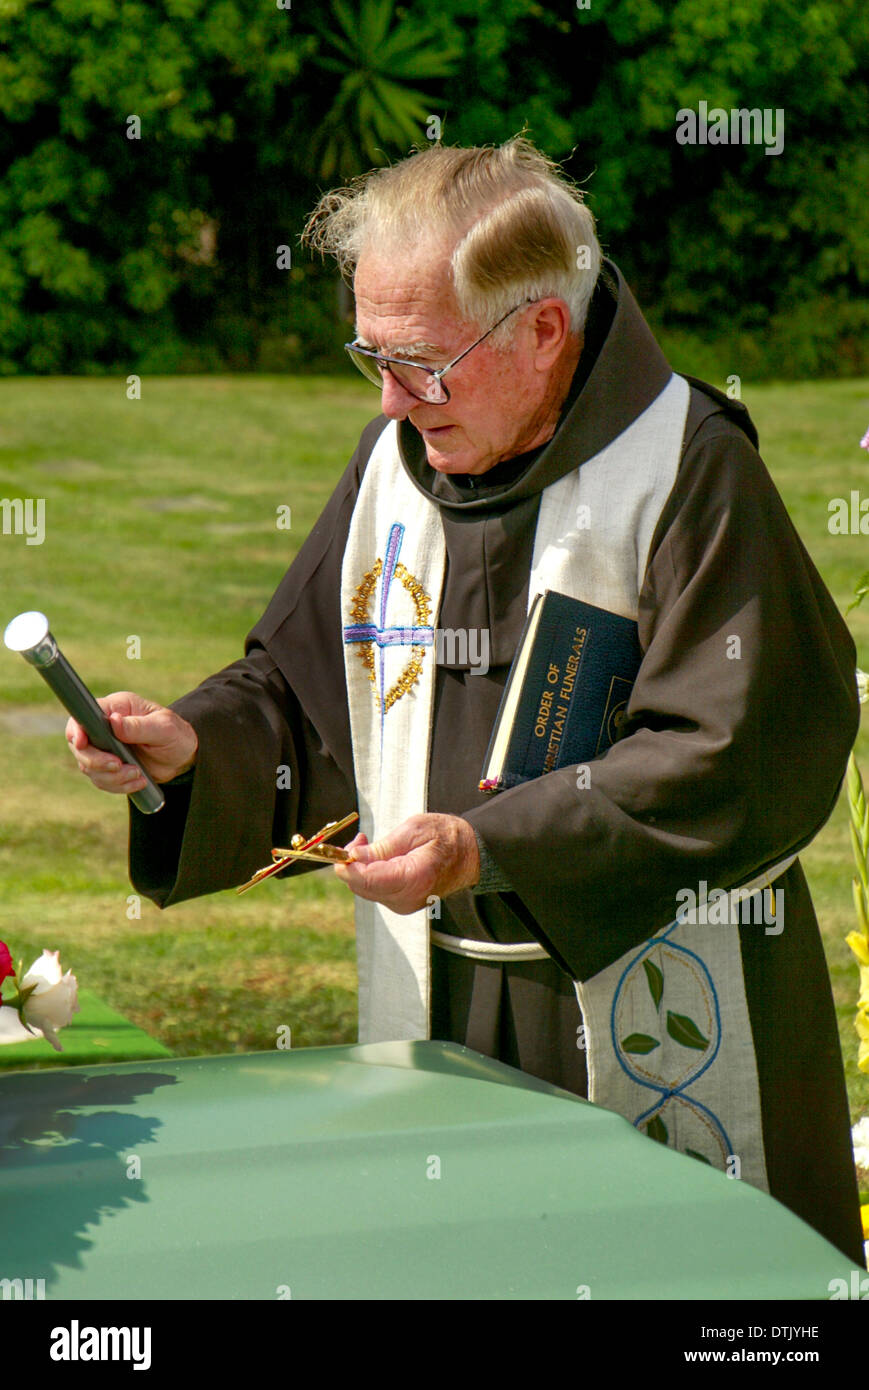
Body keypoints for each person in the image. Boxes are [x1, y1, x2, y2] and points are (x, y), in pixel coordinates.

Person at [67, 137, 864, 1266]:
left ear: (542, 329)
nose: (391, 399)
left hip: (644, 999)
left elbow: (736, 749)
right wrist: (195, 744)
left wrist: (485, 847)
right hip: (436, 997)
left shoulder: (688, 465)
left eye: (421, 361)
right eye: (369, 356)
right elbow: (308, 696)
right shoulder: (395, 462)